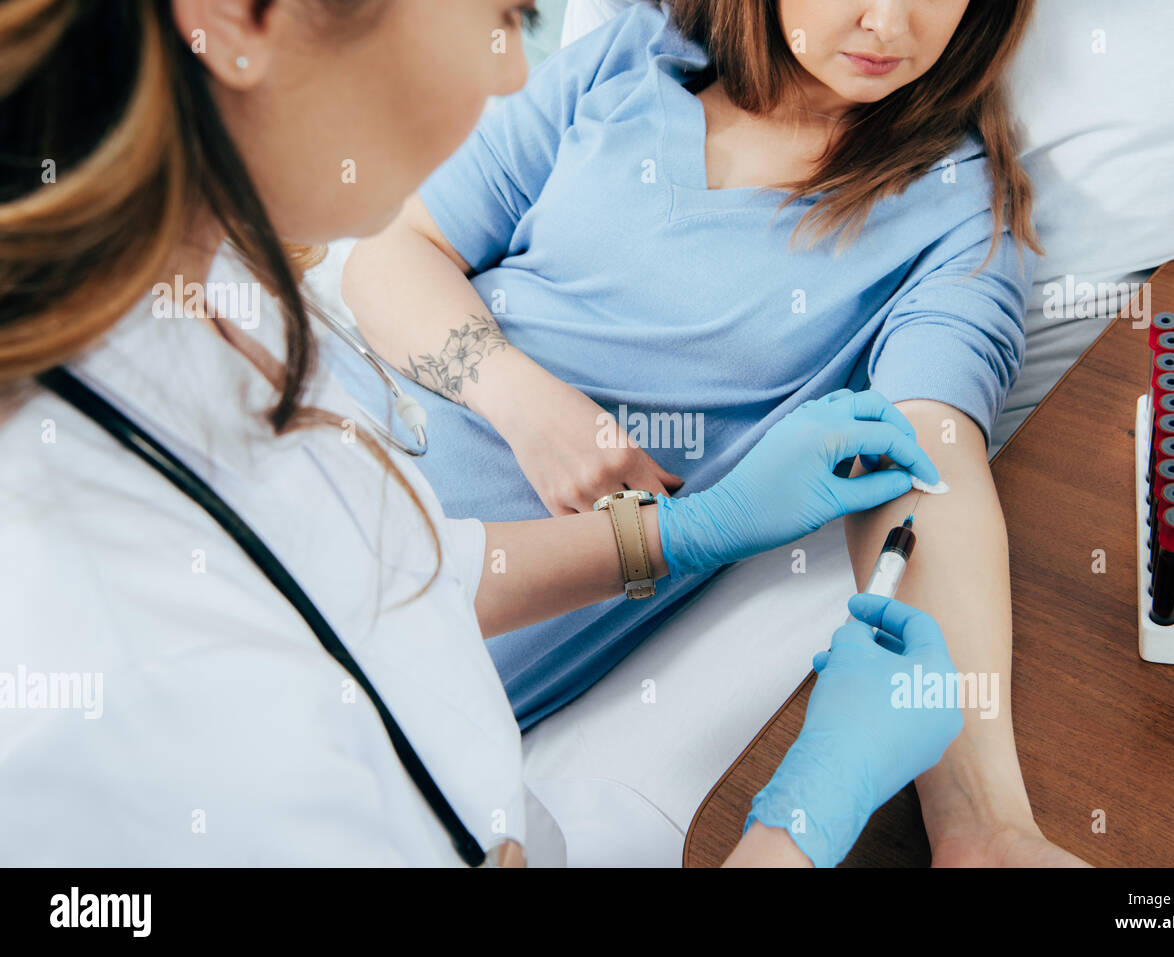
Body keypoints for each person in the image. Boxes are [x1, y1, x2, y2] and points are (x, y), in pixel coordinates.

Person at [1, 0, 960, 868]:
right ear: (241, 19)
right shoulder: (111, 668)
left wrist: (683, 533)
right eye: (506, 15)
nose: (514, 71)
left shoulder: (205, 321)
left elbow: (387, 578)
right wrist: (794, 828)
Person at [334, 0, 1084, 866]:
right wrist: (528, 405)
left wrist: (981, 820)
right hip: (305, 452)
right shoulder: (633, 55)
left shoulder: (956, 214)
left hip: (403, 645)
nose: (887, 20)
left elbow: (930, 463)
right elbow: (396, 253)